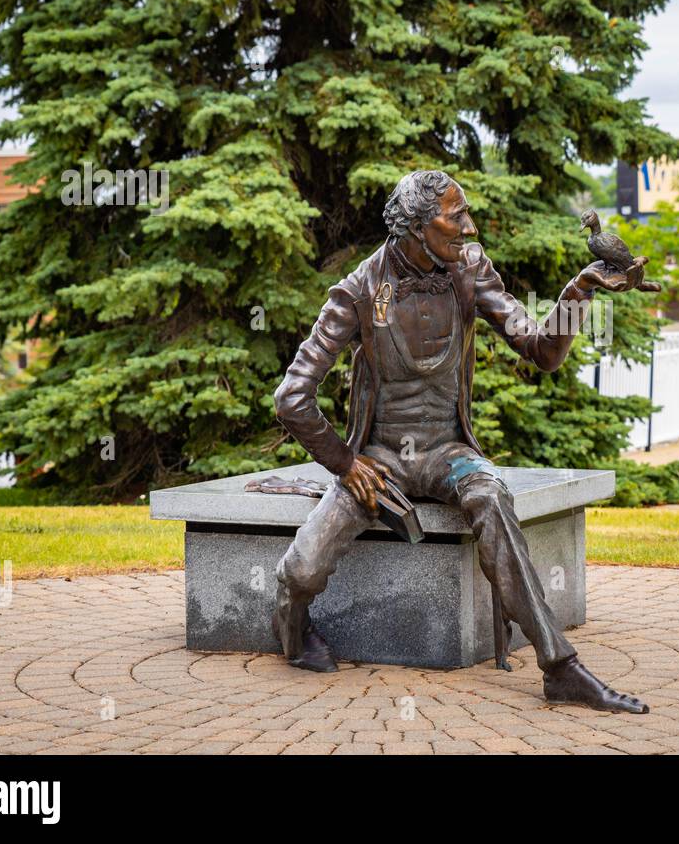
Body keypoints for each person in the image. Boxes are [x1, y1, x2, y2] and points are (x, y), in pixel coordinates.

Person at [272, 169, 647, 714]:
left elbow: (540, 351)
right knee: (303, 570)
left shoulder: (470, 270)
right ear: (417, 226)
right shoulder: (359, 289)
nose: (469, 228)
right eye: (456, 216)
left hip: (449, 452)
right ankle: (290, 621)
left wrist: (579, 290)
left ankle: (559, 667)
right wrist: (345, 462)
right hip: (379, 460)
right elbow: (292, 397)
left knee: (493, 497)